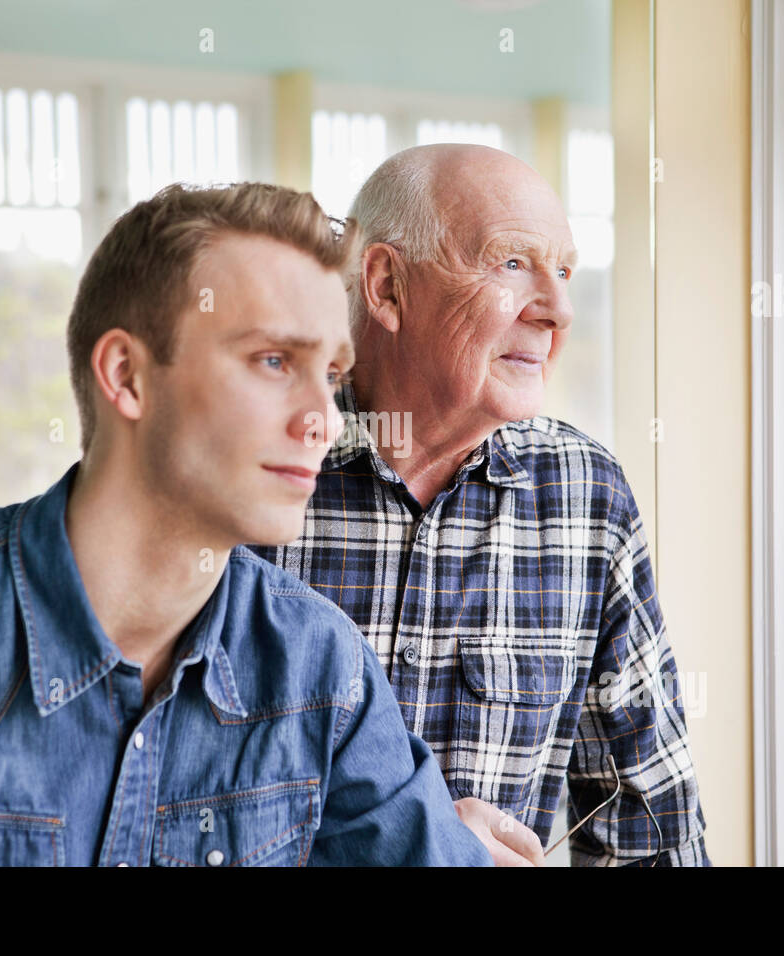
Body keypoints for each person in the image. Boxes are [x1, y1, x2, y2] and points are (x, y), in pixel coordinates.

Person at [0, 181, 492, 867]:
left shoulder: (321, 672)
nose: (323, 419)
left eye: (331, 376)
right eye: (273, 362)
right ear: (126, 376)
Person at [249, 145, 711, 866]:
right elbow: (158, 813)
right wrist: (411, 843)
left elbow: (649, 833)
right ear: (387, 286)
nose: (559, 310)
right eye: (510, 263)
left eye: (563, 271)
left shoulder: (586, 498)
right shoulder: (251, 468)